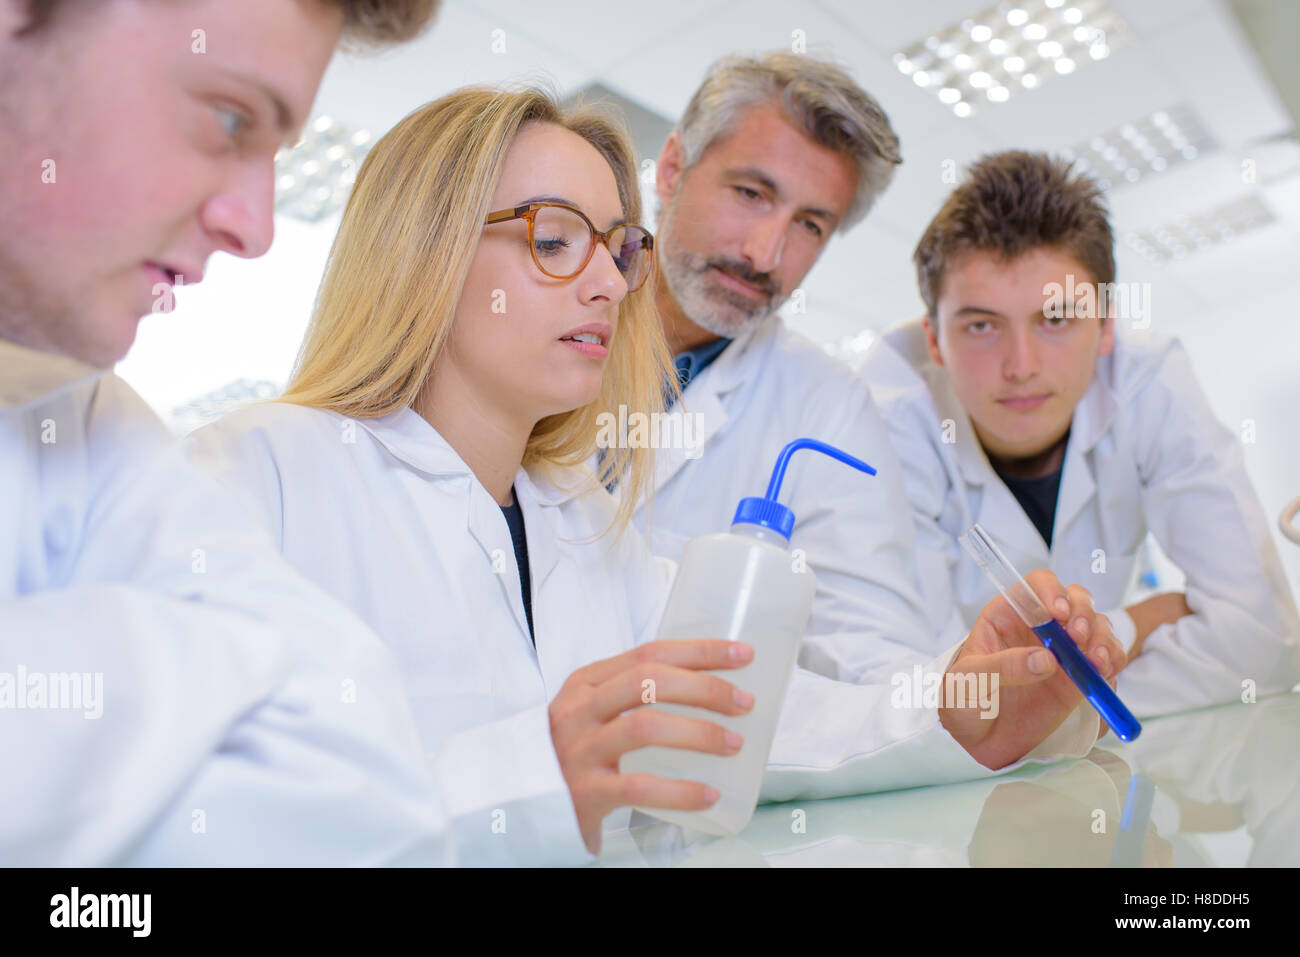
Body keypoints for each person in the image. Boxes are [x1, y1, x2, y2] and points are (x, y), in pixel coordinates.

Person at [188, 85, 1127, 865]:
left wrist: (964, 702)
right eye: (556, 240)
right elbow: (158, 825)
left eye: (615, 247)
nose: (609, 281)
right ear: (422, 244)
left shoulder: (583, 522)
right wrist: (519, 776)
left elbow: (756, 715)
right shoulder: (257, 474)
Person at [0, 0, 453, 865]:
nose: (256, 227)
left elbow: (376, 797)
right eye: (231, 118)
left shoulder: (91, 421)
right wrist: (212, 663)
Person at [860, 150, 1300, 716]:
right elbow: (895, 692)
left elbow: (1267, 644)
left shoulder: (1150, 379)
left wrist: (1112, 632)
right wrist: (1153, 617)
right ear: (935, 340)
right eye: (981, 325)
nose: (1021, 365)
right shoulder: (887, 415)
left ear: (1106, 323)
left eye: (1058, 318)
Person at [626, 52, 938, 683]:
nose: (764, 254)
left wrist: (968, 695)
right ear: (671, 169)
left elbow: (868, 648)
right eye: (751, 193)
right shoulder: (535, 309)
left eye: (810, 225)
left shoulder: (827, 405)